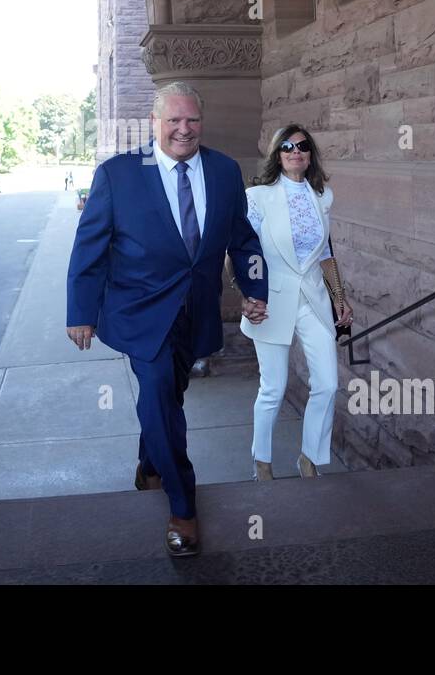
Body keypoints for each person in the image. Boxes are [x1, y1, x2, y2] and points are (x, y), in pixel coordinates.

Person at [66, 81, 268, 557]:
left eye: (192, 120)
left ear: (202, 122)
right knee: (158, 393)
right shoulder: (118, 174)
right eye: (174, 120)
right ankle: (182, 506)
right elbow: (89, 247)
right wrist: (81, 311)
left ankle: (149, 466)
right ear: (155, 122)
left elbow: (242, 239)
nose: (184, 129)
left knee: (165, 398)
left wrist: (254, 289)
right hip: (138, 312)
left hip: (195, 312)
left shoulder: (223, 170)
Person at [241, 125, 353, 481]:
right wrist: (246, 294)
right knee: (273, 387)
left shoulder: (323, 197)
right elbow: (243, 253)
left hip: (313, 301)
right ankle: (261, 462)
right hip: (271, 302)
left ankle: (310, 458)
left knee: (327, 383)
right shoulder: (256, 197)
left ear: (310, 154)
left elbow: (327, 254)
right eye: (287, 146)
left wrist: (341, 299)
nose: (295, 152)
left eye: (302, 146)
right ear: (277, 154)